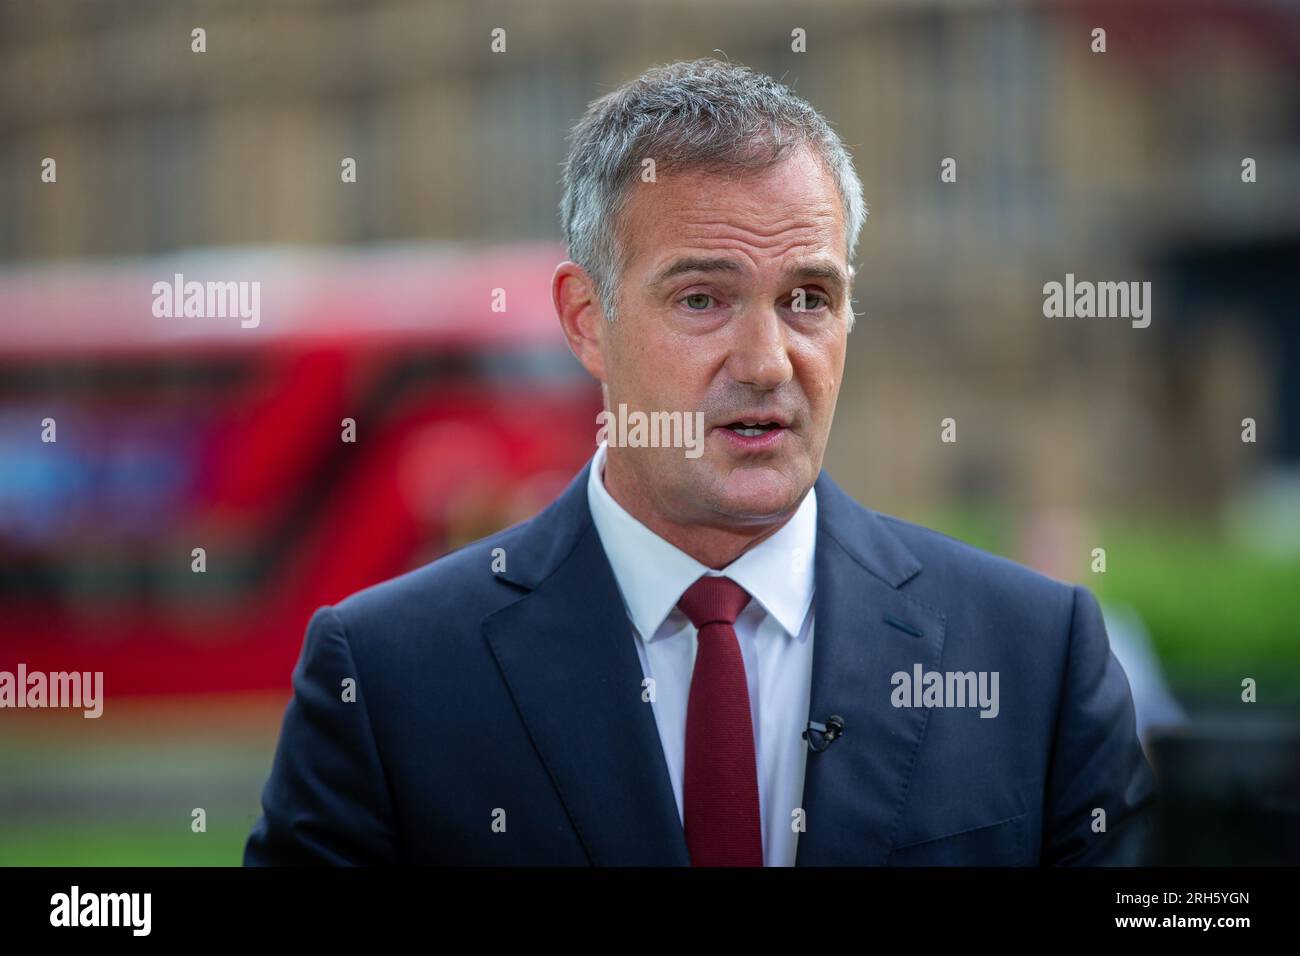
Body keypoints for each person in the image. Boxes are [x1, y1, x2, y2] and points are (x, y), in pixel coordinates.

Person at [244, 57, 1155, 866]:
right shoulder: (387, 677)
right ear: (584, 319)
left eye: (808, 297)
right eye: (702, 299)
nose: (766, 361)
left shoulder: (1038, 656)